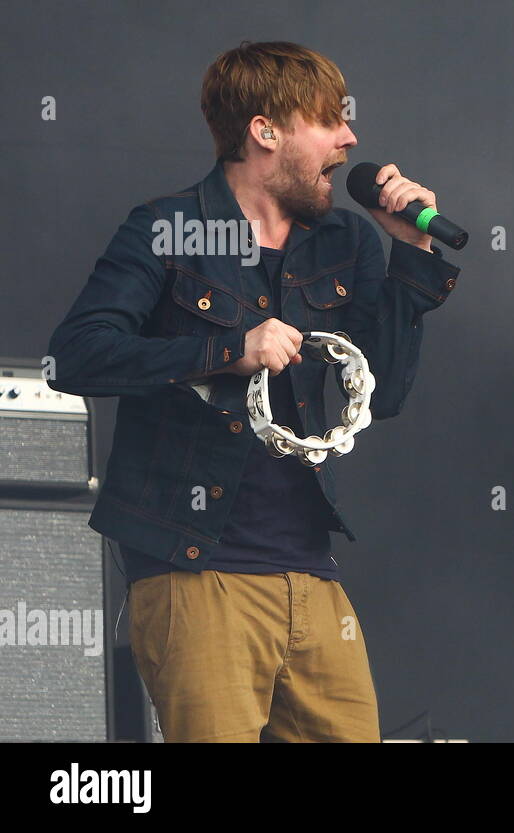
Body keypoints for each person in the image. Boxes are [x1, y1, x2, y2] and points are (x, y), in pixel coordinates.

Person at [47, 41, 462, 742]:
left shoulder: (348, 243)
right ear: (265, 132)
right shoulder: (166, 228)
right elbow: (76, 356)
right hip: (195, 565)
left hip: (310, 569)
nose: (350, 136)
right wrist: (230, 351)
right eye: (328, 119)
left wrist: (410, 256)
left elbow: (381, 390)